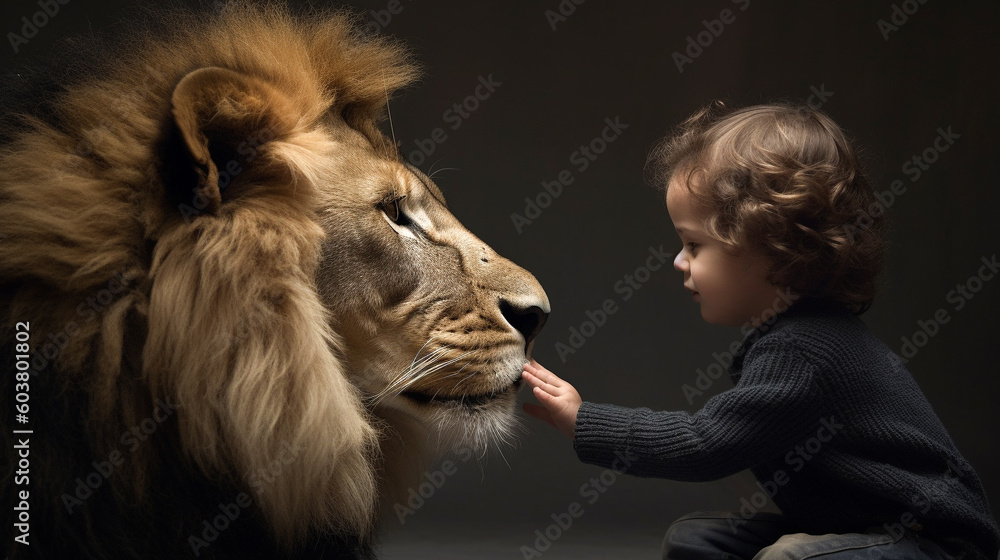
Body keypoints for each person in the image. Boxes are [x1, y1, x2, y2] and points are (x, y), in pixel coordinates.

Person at [521, 101, 1000, 560]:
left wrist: (586, 421)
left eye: (693, 244)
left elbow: (705, 446)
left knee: (793, 556)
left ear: (774, 248)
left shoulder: (806, 351)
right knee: (697, 539)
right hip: (859, 532)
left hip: (933, 544)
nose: (677, 261)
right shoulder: (792, 335)